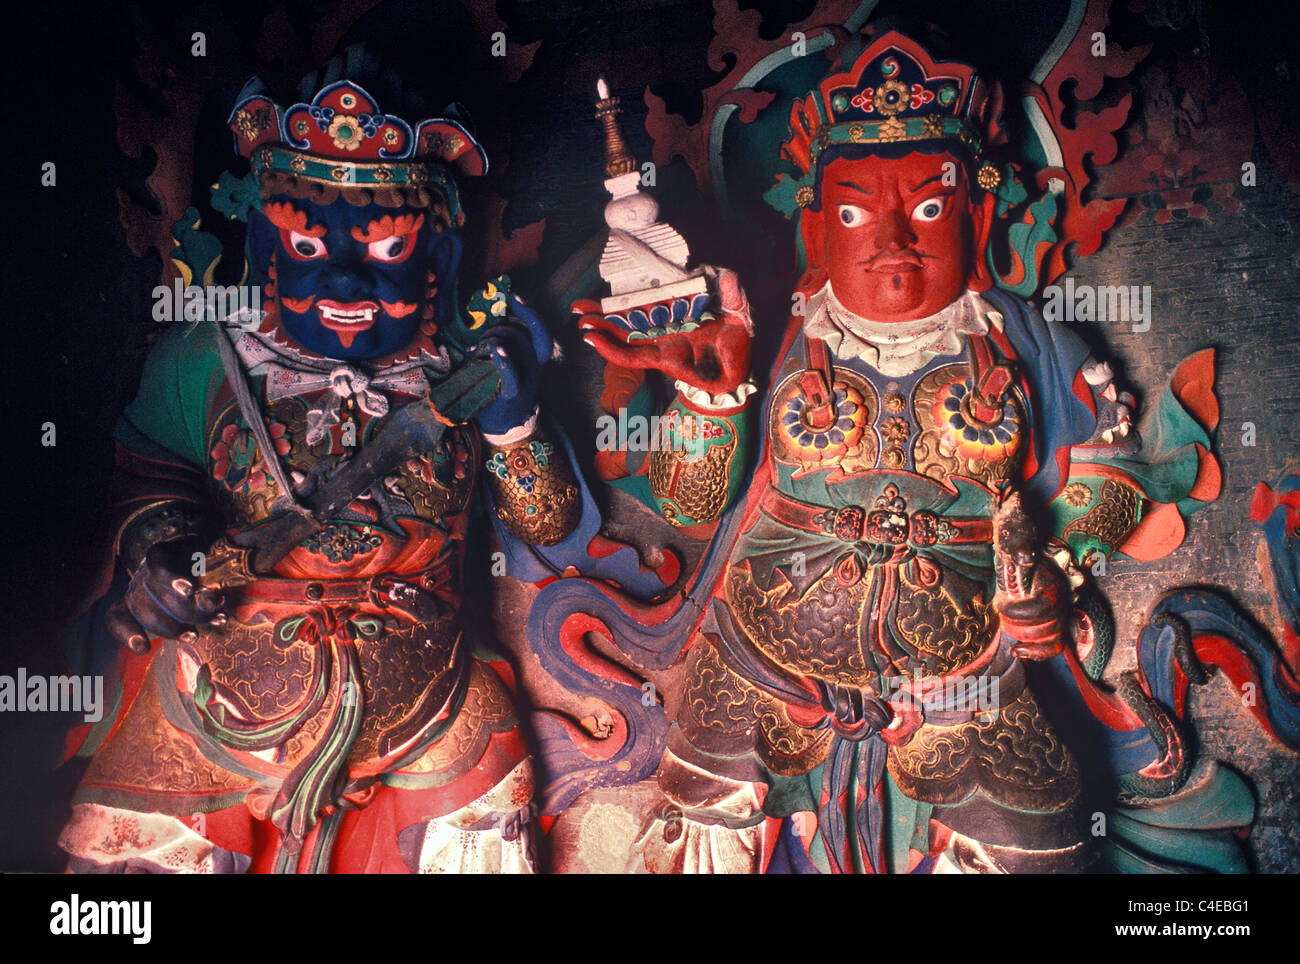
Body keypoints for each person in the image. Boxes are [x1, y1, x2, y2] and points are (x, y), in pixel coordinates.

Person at [578, 30, 1219, 873]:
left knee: (1039, 845)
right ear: (816, 226)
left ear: (976, 214)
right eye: (851, 212)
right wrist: (711, 393)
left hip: (972, 677)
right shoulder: (772, 340)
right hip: (759, 657)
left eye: (925, 208)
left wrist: (1049, 568)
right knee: (696, 840)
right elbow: (696, 504)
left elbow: (1109, 473)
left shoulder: (1024, 342)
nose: (890, 241)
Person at [57, 77, 583, 873]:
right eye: (307, 248)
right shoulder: (210, 363)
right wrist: (163, 550)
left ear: (436, 256)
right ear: (266, 250)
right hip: (217, 692)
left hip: (432, 702)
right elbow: (145, 473)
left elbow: (550, 527)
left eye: (387, 250)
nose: (345, 283)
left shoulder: (467, 375)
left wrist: (514, 422)